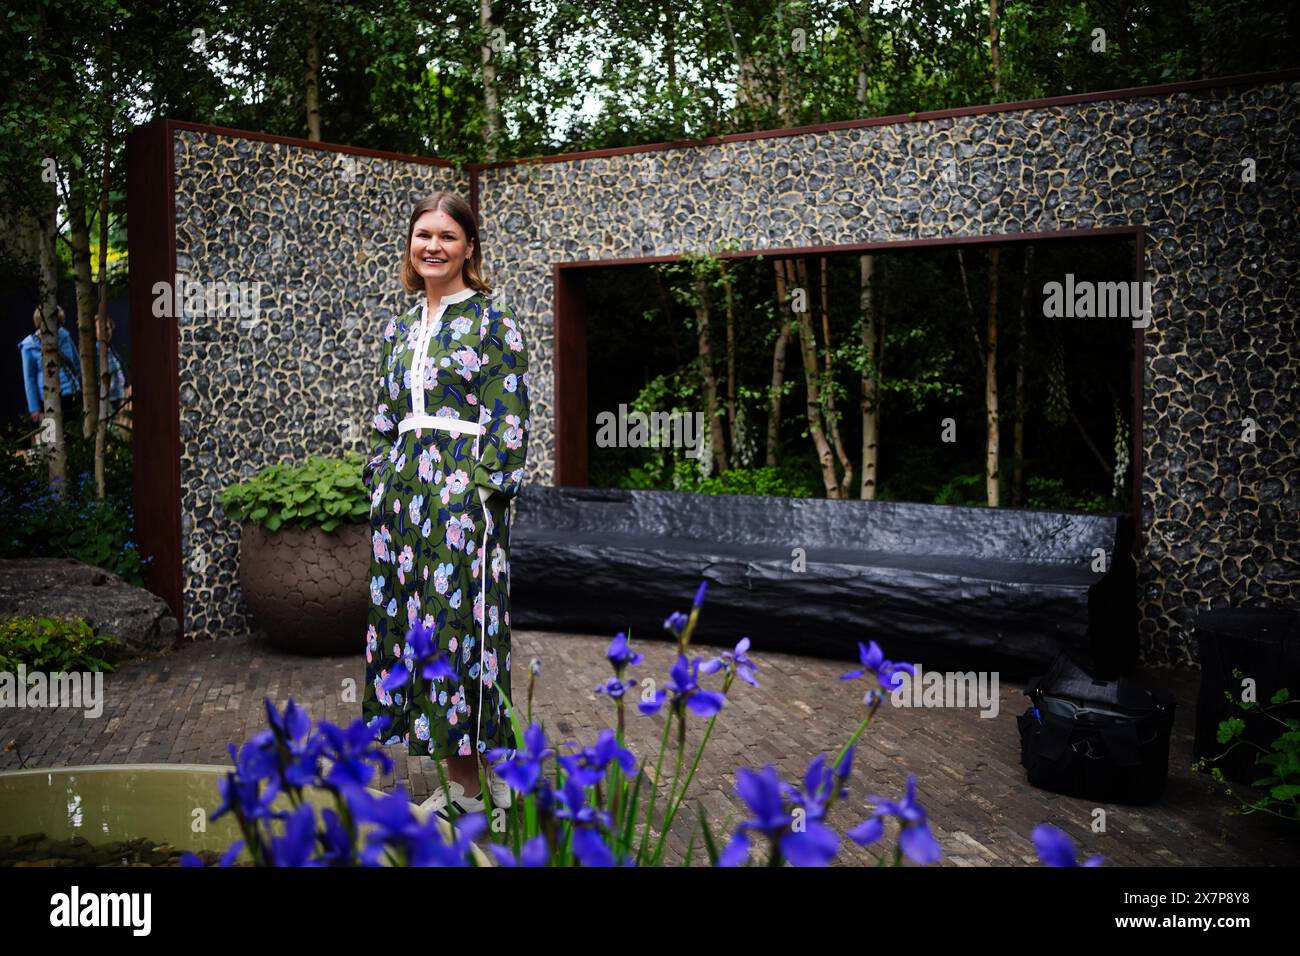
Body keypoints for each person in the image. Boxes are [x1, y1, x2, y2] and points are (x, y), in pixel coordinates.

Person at [360, 192, 531, 821]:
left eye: (447, 236)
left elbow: (509, 416)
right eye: (423, 234)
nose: (433, 245)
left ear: (469, 248)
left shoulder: (492, 321)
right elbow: (385, 416)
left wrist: (482, 491)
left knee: (468, 634)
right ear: (410, 244)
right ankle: (463, 784)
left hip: (463, 502)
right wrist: (379, 481)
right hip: (404, 504)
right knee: (420, 637)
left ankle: (491, 782)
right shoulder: (400, 326)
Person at [19, 305, 80, 423]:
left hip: (72, 396)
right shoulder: (28, 346)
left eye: (58, 324)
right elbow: (29, 380)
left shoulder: (65, 336)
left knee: (74, 439)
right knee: (50, 438)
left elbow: (77, 364)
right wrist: (34, 408)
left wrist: (79, 387)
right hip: (47, 401)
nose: (55, 328)